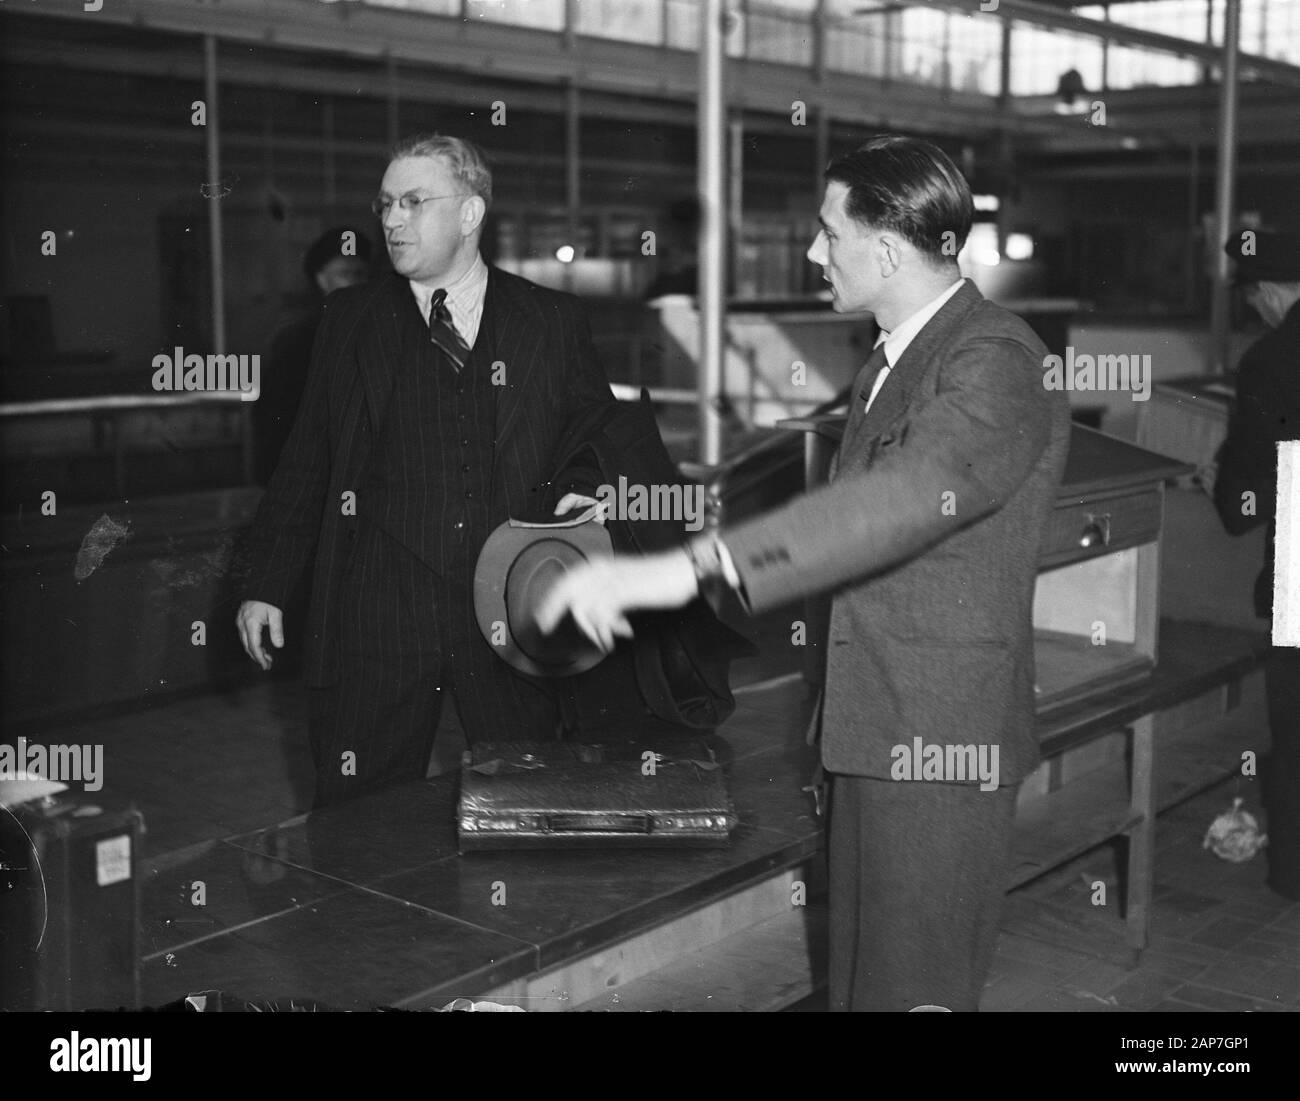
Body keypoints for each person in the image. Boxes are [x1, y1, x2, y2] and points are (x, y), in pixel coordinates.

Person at [537, 135, 1071, 1011]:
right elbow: (789, 494)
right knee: (867, 984)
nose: (813, 251)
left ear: (889, 248)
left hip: (937, 739)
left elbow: (907, 494)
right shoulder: (895, 360)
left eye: (828, 231)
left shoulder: (994, 358)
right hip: (874, 723)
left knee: (912, 989)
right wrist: (638, 512)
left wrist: (686, 572)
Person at [235, 134, 617, 808]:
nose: (391, 220)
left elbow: (593, 438)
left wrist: (588, 491)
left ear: (470, 214)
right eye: (385, 204)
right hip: (379, 604)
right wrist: (266, 581)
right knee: (359, 814)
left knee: (529, 804)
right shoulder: (350, 321)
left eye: (414, 202)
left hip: (509, 599)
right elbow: (309, 459)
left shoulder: (550, 321)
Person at [1212, 228, 1300, 901]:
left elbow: (1249, 490)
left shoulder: (1272, 358)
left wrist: (1218, 481)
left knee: (1295, 723)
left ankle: (1293, 870)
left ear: (1269, 292)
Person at [254, 226, 373, 484]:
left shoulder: (379, 334)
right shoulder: (297, 340)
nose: (354, 282)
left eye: (360, 274)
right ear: (320, 279)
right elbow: (275, 422)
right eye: (344, 273)